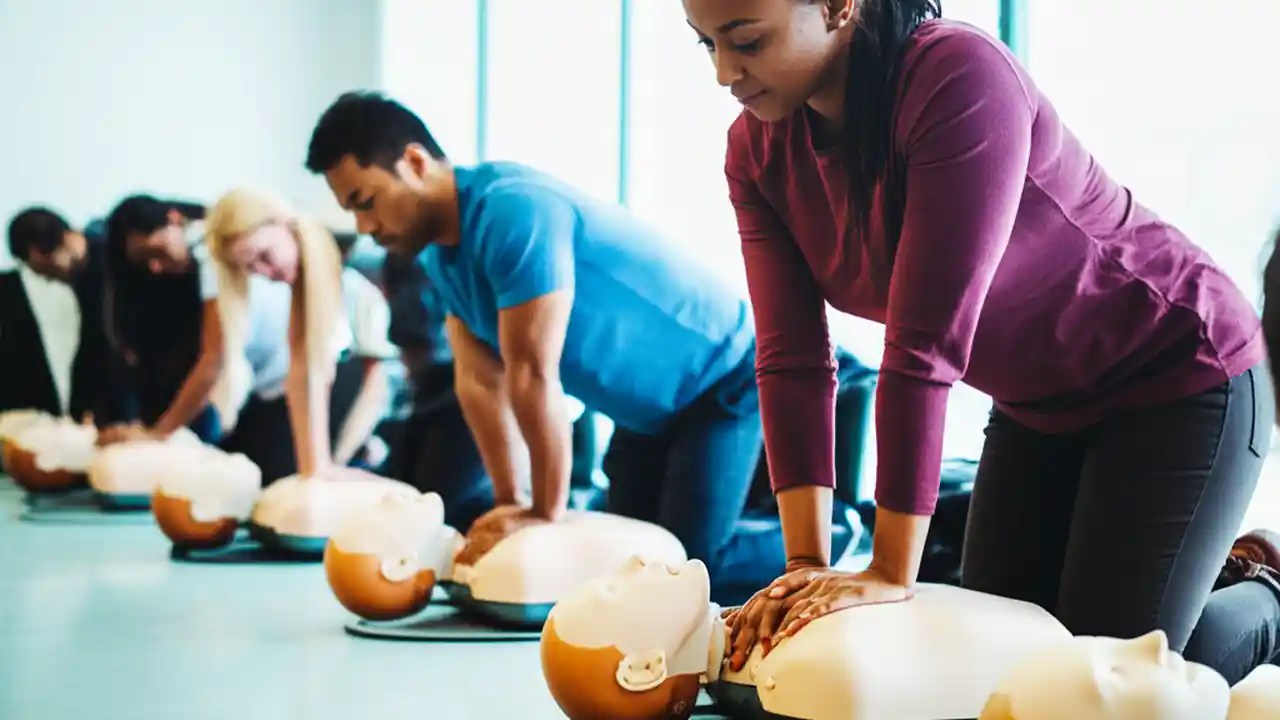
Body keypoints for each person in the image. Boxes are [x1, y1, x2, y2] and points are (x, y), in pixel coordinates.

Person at [683, 0, 1273, 677]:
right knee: (1003, 665)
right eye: (707, 46)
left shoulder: (957, 77)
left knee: (1110, 681)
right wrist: (805, 570)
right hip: (1035, 407)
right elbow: (792, 360)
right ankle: (1194, 574)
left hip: (1180, 374)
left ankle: (1269, 594)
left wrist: (887, 572)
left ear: (838, 6)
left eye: (747, 40)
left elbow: (923, 345)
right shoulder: (756, 150)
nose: (726, 72)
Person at [305, 91, 787, 601]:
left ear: (416, 162)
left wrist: (544, 513)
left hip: (723, 379)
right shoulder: (441, 260)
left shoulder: (512, 210)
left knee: (684, 569)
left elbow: (533, 372)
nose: (363, 227)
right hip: (645, 411)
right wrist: (511, 500)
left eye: (366, 201)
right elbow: (478, 383)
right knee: (624, 569)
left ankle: (830, 531)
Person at [100, 195, 220, 442]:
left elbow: (215, 359)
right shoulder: (143, 285)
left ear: (174, 219)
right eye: (144, 261)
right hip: (174, 407)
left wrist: (160, 434)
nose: (154, 267)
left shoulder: (214, 254)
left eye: (156, 252)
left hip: (225, 397)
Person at [1, 207, 128, 424]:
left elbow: (106, 342)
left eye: (49, 271)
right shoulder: (80, 276)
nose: (51, 279)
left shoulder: (114, 261)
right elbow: (89, 345)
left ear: (65, 240)